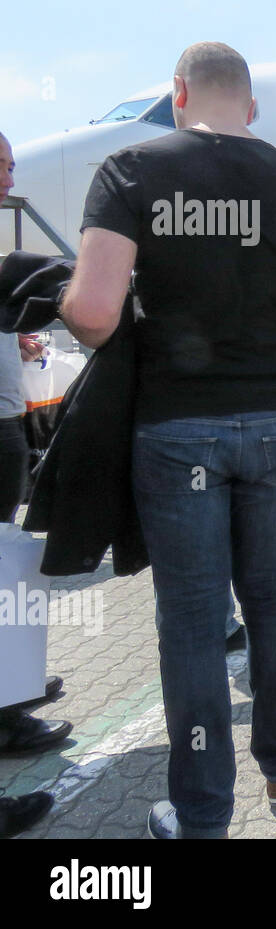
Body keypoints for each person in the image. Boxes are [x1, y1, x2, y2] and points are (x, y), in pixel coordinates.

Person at [60, 42, 276, 839]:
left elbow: (94, 313)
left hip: (177, 427)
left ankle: (201, 814)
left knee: (189, 620)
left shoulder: (130, 170)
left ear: (180, 93)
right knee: (274, 594)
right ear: (250, 107)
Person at [0, 131, 69, 838]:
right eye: (2, 165)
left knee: (5, 570)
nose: (10, 178)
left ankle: (9, 703)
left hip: (6, 424)